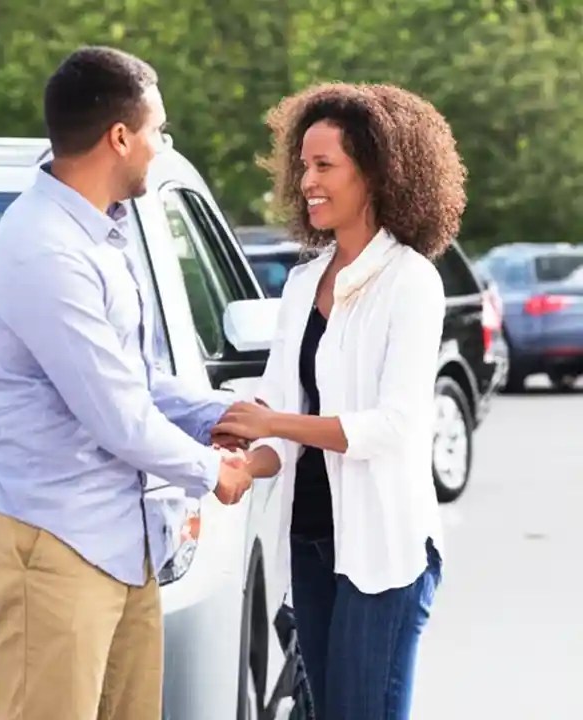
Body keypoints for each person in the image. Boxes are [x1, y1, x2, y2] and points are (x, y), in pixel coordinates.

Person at [0, 46, 255, 720]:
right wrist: (215, 472)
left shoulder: (102, 235)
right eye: (158, 130)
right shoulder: (45, 248)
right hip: (55, 537)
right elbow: (116, 414)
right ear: (120, 137)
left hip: (121, 538)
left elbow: (137, 376)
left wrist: (221, 414)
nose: (161, 145)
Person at [212, 82, 467, 719]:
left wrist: (272, 421)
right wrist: (248, 463)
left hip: (383, 553)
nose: (306, 181)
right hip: (310, 542)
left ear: (377, 173)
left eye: (325, 165)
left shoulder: (411, 282)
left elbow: (395, 427)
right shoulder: (302, 284)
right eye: (303, 164)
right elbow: (278, 417)